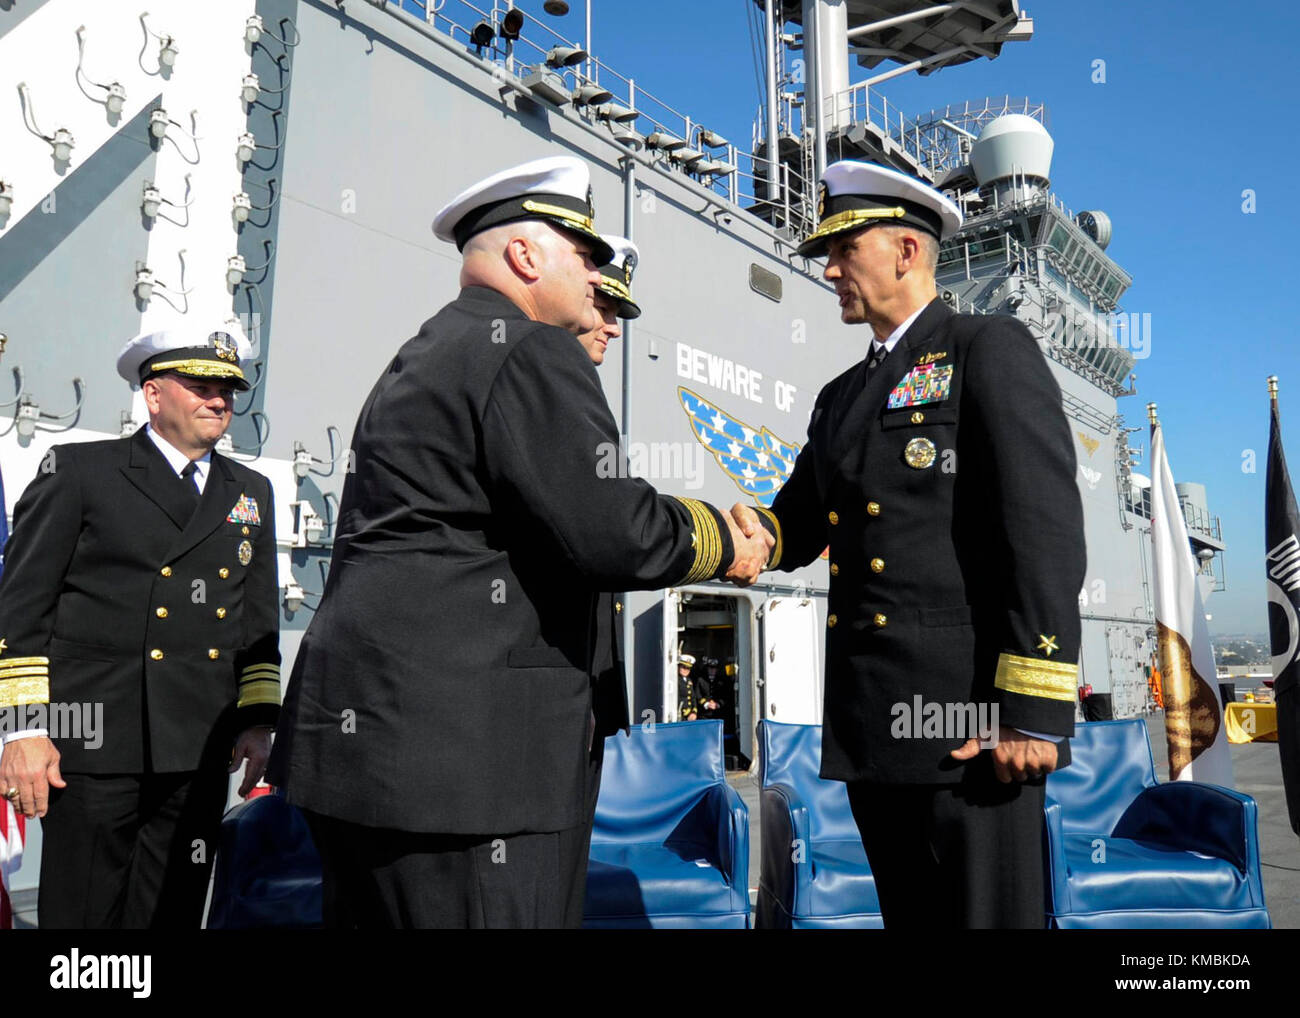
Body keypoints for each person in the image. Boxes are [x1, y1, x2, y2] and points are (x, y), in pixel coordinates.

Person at [268, 156, 772, 929]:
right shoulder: (532, 349)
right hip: (473, 777)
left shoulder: (424, 353)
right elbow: (614, 533)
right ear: (528, 255)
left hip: (376, 760)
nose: (595, 276)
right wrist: (722, 541)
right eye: (585, 255)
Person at [744, 160, 1086, 928]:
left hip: (973, 728)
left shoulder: (985, 348)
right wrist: (726, 536)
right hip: (878, 728)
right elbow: (796, 520)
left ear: (905, 250)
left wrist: (1033, 712)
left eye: (842, 250)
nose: (828, 269)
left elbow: (1042, 531)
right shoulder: (841, 396)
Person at [0, 324, 281, 928]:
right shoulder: (79, 472)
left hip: (199, 745)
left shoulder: (249, 492)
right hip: (95, 741)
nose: (219, 400)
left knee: (173, 910)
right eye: (200, 385)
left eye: (228, 388)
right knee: (83, 918)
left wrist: (257, 721)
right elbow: (21, 611)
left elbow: (257, 621)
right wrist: (20, 731)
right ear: (154, 396)